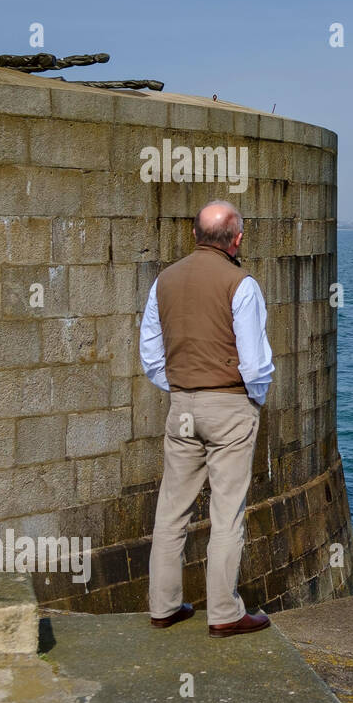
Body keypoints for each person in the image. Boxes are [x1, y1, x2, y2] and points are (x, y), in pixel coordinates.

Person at [139, 200, 275, 638]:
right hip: (229, 405)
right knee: (226, 514)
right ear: (236, 239)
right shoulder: (242, 284)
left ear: (194, 234)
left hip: (182, 406)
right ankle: (223, 612)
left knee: (171, 510)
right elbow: (255, 365)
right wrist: (250, 402)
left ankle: (162, 607)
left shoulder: (164, 281)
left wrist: (183, 388)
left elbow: (151, 356)